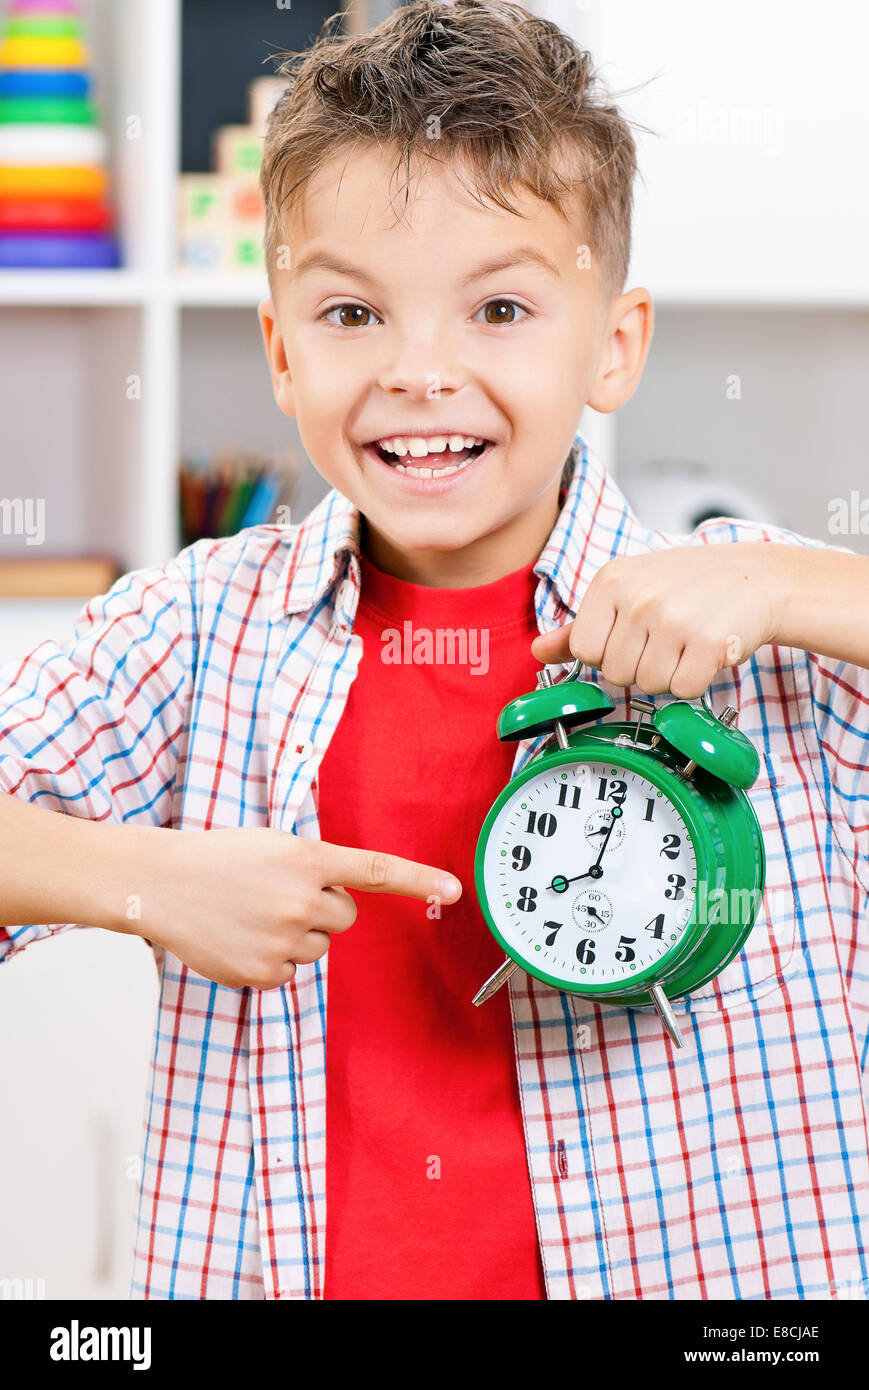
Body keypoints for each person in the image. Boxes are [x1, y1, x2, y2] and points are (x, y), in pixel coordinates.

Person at [1, 0, 868, 1301]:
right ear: (281, 351)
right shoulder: (192, 632)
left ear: (613, 343)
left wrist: (788, 578)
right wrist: (143, 880)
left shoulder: (768, 637)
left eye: (499, 307)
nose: (419, 370)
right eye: (352, 315)